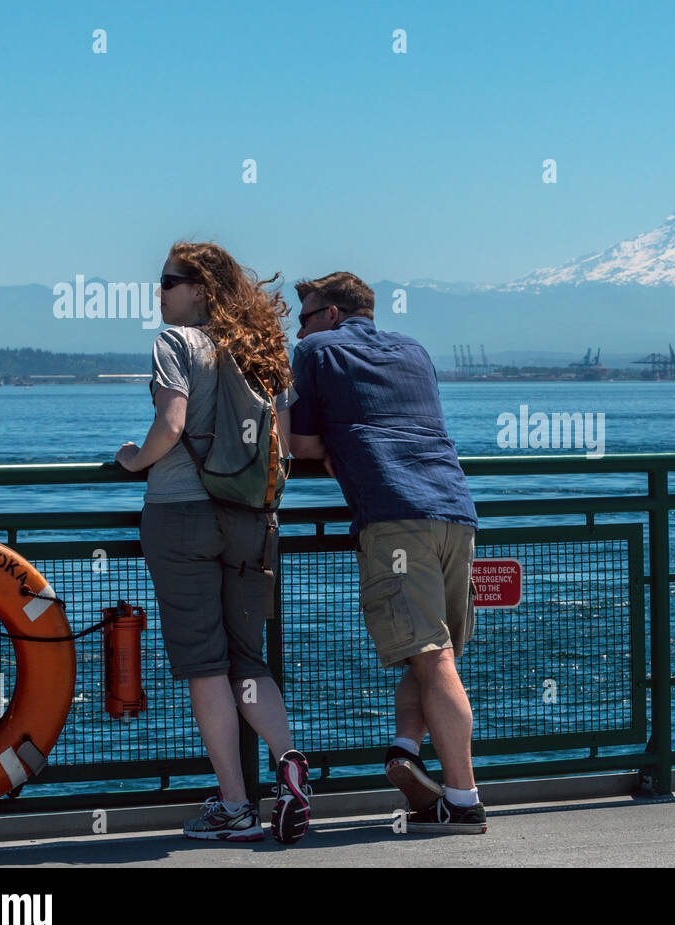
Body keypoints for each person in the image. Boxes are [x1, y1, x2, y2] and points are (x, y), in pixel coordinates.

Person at [115, 242, 311, 844]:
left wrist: (130, 460)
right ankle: (287, 760)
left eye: (169, 282)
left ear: (199, 288)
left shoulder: (175, 344)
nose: (160, 292)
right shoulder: (262, 350)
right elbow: (286, 444)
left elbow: (170, 425)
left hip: (182, 517)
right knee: (247, 662)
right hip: (251, 518)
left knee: (206, 665)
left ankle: (234, 806)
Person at [287, 271, 485, 833]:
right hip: (456, 510)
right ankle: (405, 750)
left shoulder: (315, 349)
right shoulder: (415, 350)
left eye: (303, 316)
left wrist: (333, 450)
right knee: (433, 652)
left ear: (328, 315)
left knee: (432, 657)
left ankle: (464, 800)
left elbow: (298, 443)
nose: (297, 328)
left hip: (392, 514)